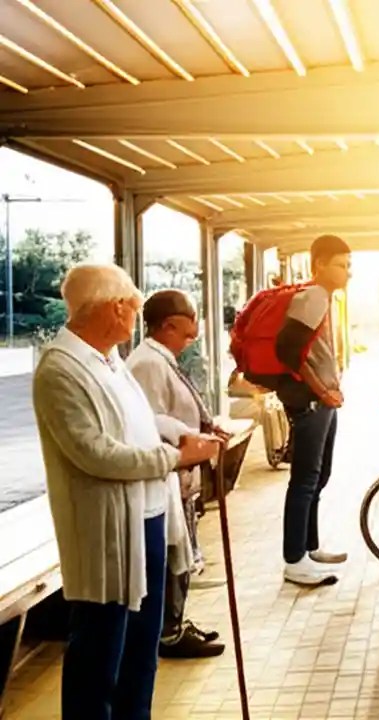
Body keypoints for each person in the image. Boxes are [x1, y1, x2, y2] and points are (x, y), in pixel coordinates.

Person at [32, 264, 219, 719]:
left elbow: (137, 420)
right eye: (133, 306)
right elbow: (95, 453)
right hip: (106, 536)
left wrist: (179, 434)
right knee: (100, 653)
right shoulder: (61, 369)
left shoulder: (110, 359)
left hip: (148, 517)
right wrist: (175, 458)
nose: (136, 314)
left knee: (140, 650)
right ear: (115, 308)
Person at [126, 289, 227, 659]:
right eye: (187, 332)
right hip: (167, 473)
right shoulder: (148, 364)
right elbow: (149, 422)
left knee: (182, 548)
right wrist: (186, 442)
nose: (193, 338)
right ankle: (168, 631)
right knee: (173, 553)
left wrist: (203, 431)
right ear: (167, 325)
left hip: (180, 473)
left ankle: (177, 620)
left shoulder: (162, 359)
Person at [273, 234, 351, 586]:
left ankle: (309, 546)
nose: (347, 272)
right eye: (340, 265)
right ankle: (294, 560)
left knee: (319, 476)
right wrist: (320, 390)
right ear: (319, 264)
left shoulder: (326, 299)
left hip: (323, 400)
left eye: (349, 266)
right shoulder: (314, 297)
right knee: (304, 479)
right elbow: (288, 349)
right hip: (311, 402)